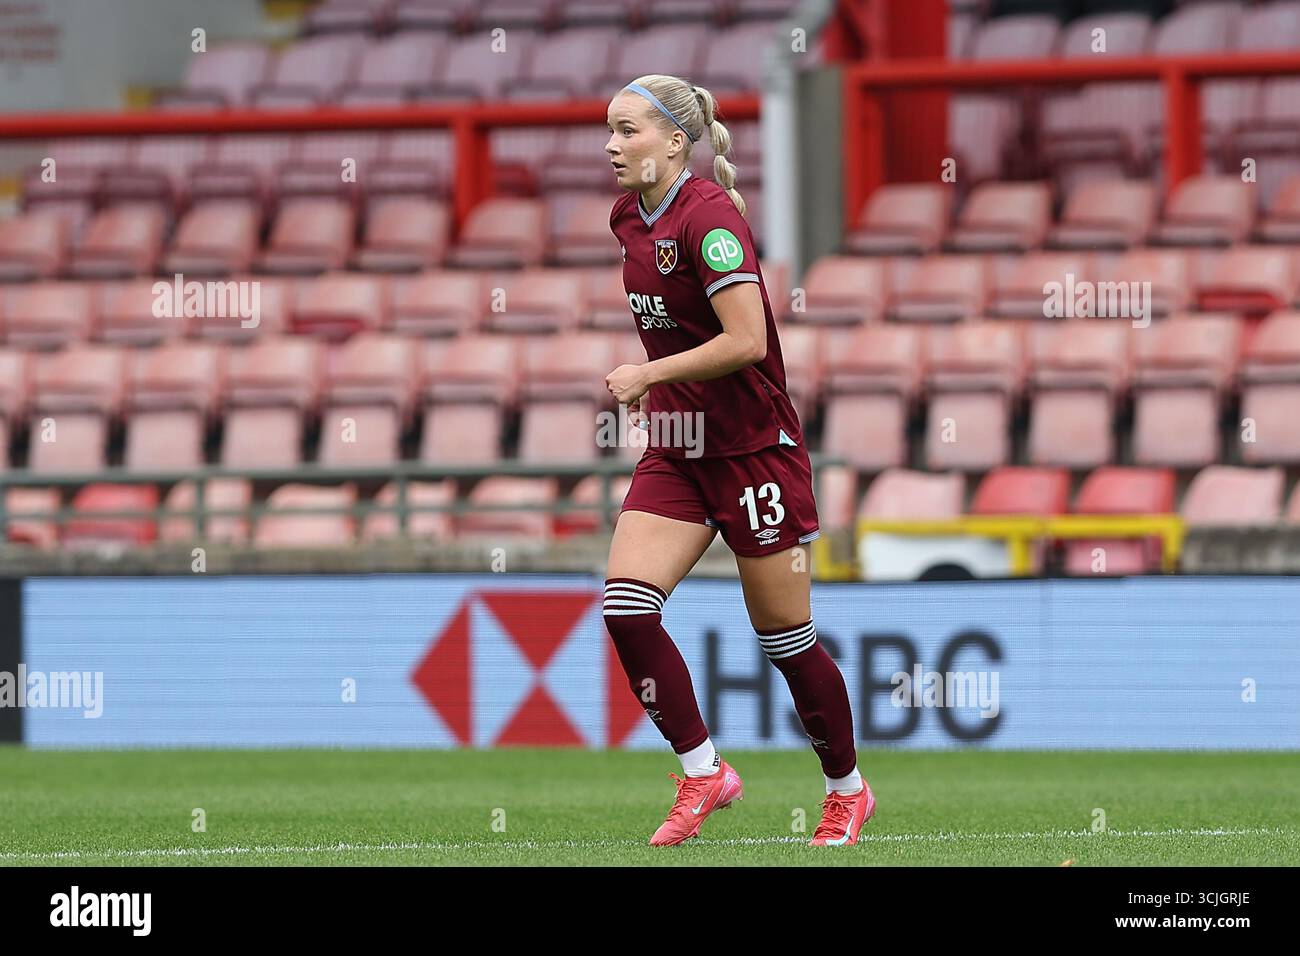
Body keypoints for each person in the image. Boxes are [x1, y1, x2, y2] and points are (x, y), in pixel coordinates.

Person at [602, 73, 875, 847]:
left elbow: (748, 341)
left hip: (755, 451)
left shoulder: (710, 221)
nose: (611, 146)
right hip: (680, 448)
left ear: (675, 143)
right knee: (627, 609)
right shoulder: (629, 217)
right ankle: (703, 771)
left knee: (785, 641)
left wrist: (648, 374)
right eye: (610, 130)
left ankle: (847, 791)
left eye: (628, 131)